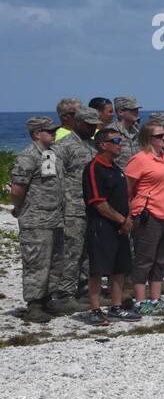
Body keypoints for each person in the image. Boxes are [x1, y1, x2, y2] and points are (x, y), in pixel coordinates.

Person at [9, 117, 69, 322]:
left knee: (54, 261)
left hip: (54, 218)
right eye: (49, 131)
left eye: (54, 131)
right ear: (36, 134)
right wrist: (19, 209)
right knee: (37, 262)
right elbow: (18, 189)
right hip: (35, 220)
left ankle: (47, 299)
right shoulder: (28, 157)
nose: (53, 134)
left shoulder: (49, 155)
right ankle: (34, 305)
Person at [82, 127, 139, 323]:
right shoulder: (93, 168)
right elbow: (98, 202)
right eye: (115, 141)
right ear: (103, 145)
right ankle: (95, 309)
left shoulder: (117, 169)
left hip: (121, 226)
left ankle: (116, 306)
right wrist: (122, 220)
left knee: (119, 268)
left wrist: (128, 219)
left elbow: (126, 196)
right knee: (98, 268)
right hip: (101, 225)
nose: (120, 145)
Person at [125, 120, 164, 316]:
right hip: (148, 214)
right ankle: (140, 300)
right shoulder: (140, 159)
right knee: (144, 258)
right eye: (159, 136)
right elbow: (127, 188)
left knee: (161, 259)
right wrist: (129, 214)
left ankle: (156, 298)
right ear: (148, 138)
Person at [50, 107, 102, 308]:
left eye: (94, 125)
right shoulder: (62, 147)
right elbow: (54, 178)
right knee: (71, 251)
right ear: (78, 122)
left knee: (88, 252)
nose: (92, 129)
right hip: (72, 207)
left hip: (90, 207)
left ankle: (84, 289)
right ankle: (65, 294)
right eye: (89, 125)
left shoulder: (91, 145)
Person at [106, 96, 143, 171]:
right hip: (119, 178)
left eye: (137, 109)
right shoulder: (110, 132)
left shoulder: (138, 132)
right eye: (132, 110)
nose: (136, 112)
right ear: (120, 112)